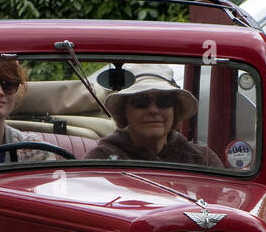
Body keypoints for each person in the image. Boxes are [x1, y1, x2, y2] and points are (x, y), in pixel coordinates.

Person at [84, 65, 224, 166]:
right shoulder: (100, 160)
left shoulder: (202, 159)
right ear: (124, 111)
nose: (153, 110)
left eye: (164, 101)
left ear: (175, 110)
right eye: (141, 101)